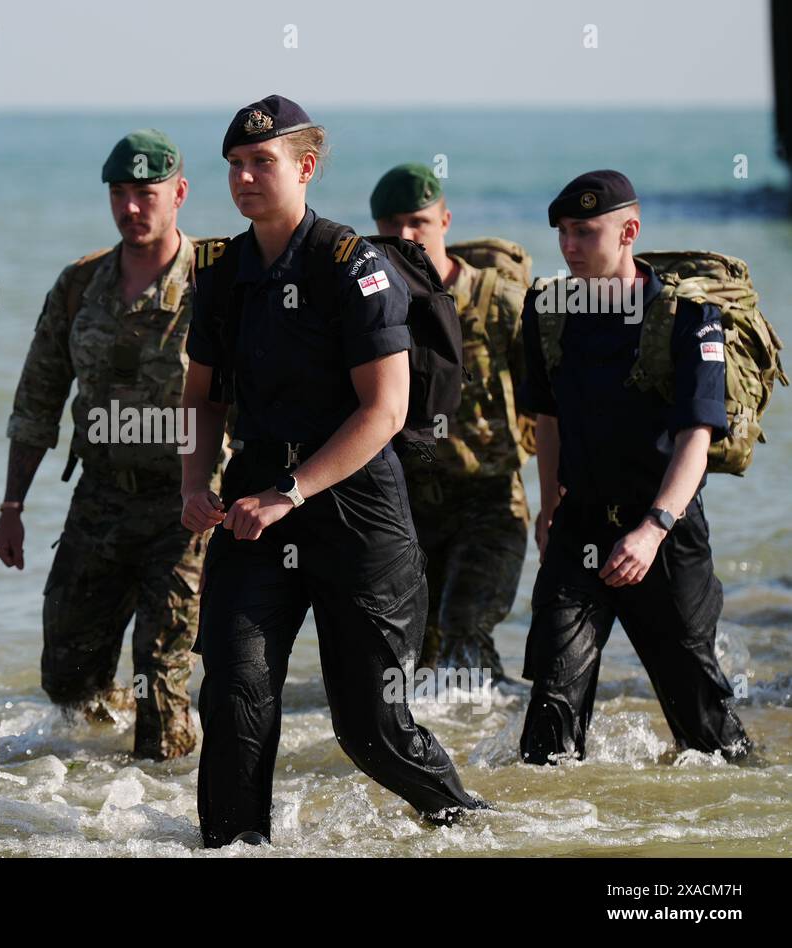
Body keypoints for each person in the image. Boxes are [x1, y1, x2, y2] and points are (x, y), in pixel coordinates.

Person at [180, 96, 486, 847]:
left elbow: (383, 411)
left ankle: (468, 827)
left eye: (263, 163)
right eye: (235, 166)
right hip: (254, 508)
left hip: (356, 515)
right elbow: (202, 395)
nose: (246, 177)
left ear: (305, 169)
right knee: (235, 697)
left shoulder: (352, 265)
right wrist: (194, 483)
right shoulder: (221, 272)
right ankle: (232, 846)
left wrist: (292, 492)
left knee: (371, 728)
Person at [0, 129, 218, 759]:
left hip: (186, 506)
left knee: (162, 687)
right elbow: (37, 397)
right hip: (99, 498)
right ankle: (89, 788)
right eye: (119, 193)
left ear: (178, 194)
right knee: (67, 676)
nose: (131, 207)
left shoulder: (215, 285)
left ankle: (160, 816)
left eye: (146, 193)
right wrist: (12, 507)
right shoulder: (79, 285)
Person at [517, 169, 751, 764]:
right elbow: (547, 418)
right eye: (563, 233)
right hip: (580, 529)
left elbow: (696, 436)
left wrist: (652, 529)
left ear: (629, 231)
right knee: (549, 723)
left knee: (705, 730)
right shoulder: (547, 310)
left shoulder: (688, 317)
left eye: (585, 232)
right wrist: (549, 506)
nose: (569, 247)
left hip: (664, 537)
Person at [370, 163, 532, 678]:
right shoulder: (374, 305)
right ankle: (446, 744)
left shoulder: (499, 301)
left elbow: (551, 400)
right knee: (413, 649)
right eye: (391, 224)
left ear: (445, 220)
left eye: (418, 222)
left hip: (488, 500)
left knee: (466, 625)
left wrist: (561, 495)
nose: (405, 235)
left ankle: (497, 745)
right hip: (410, 502)